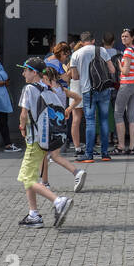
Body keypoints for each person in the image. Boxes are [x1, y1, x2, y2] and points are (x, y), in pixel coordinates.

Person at [16, 57, 74, 228]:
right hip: (46, 139)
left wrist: (22, 127)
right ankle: (33, 215)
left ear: (34, 73)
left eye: (26, 70)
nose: (23, 73)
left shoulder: (29, 88)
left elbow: (24, 114)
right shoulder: (48, 89)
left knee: (28, 177)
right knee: (30, 176)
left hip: (34, 139)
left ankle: (58, 201)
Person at [37, 65, 88, 194]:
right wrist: (69, 109)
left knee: (48, 155)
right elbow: (78, 98)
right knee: (51, 155)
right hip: (61, 125)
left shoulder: (47, 91)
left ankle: (48, 182)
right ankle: (46, 182)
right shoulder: (62, 89)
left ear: (46, 78)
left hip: (49, 126)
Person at [72, 32, 115, 163]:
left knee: (90, 121)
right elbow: (112, 70)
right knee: (104, 120)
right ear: (93, 40)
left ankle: (89, 155)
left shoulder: (76, 54)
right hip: (104, 89)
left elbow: (74, 77)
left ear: (81, 41)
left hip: (88, 91)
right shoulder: (101, 50)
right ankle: (105, 153)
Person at [112, 27, 134, 155]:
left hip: (126, 85)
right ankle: (132, 147)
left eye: (126, 36)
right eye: (122, 36)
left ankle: (121, 146)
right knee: (131, 115)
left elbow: (125, 71)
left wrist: (119, 65)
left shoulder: (128, 51)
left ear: (132, 38)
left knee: (118, 114)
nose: (124, 38)